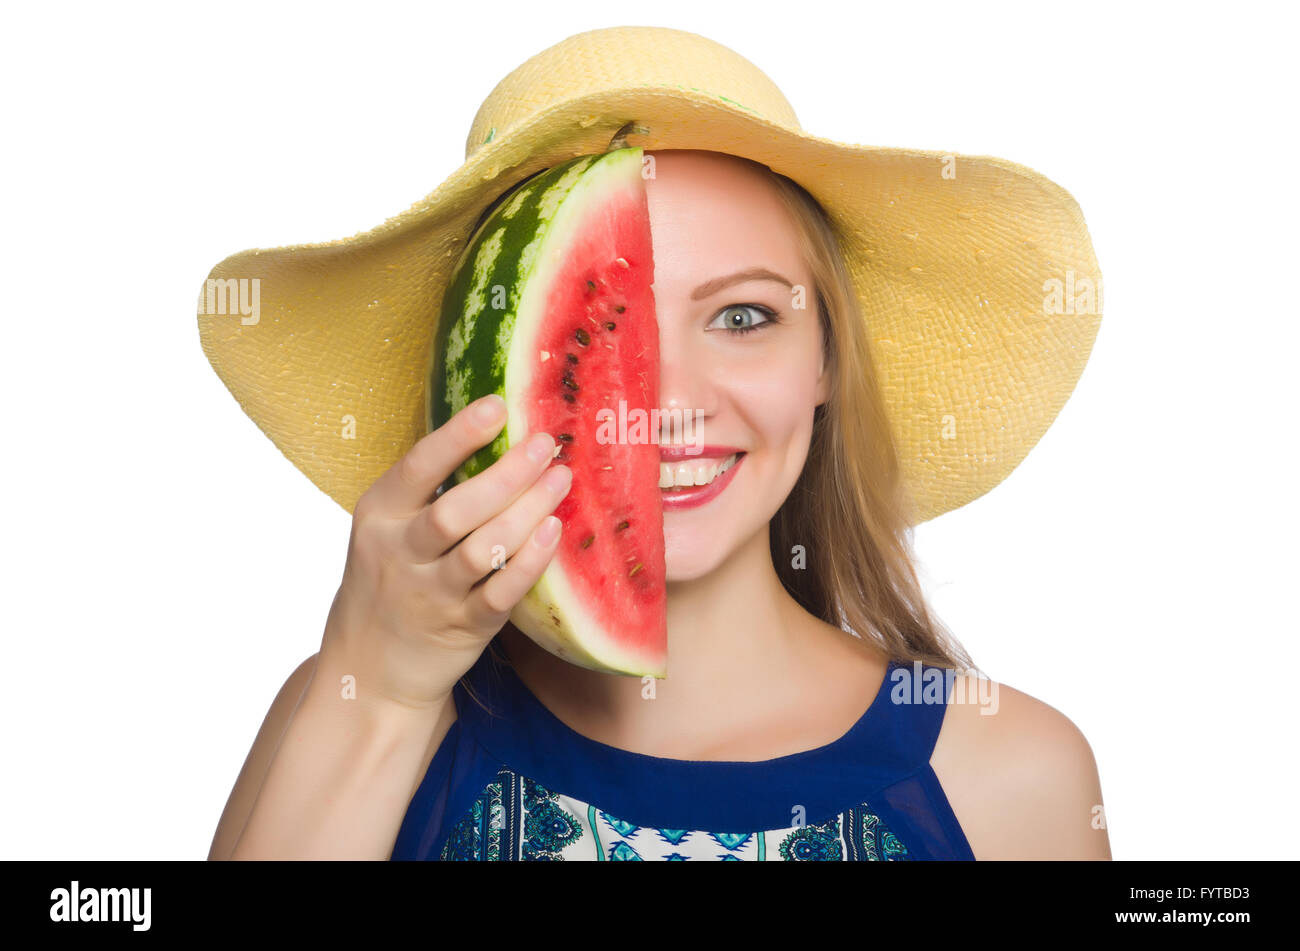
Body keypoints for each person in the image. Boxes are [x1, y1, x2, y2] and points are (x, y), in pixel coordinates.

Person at [201, 27, 1108, 861]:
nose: (661, 404)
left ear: (827, 360)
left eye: (743, 316)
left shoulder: (1017, 776)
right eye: (590, 341)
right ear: (487, 380)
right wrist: (382, 692)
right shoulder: (355, 713)